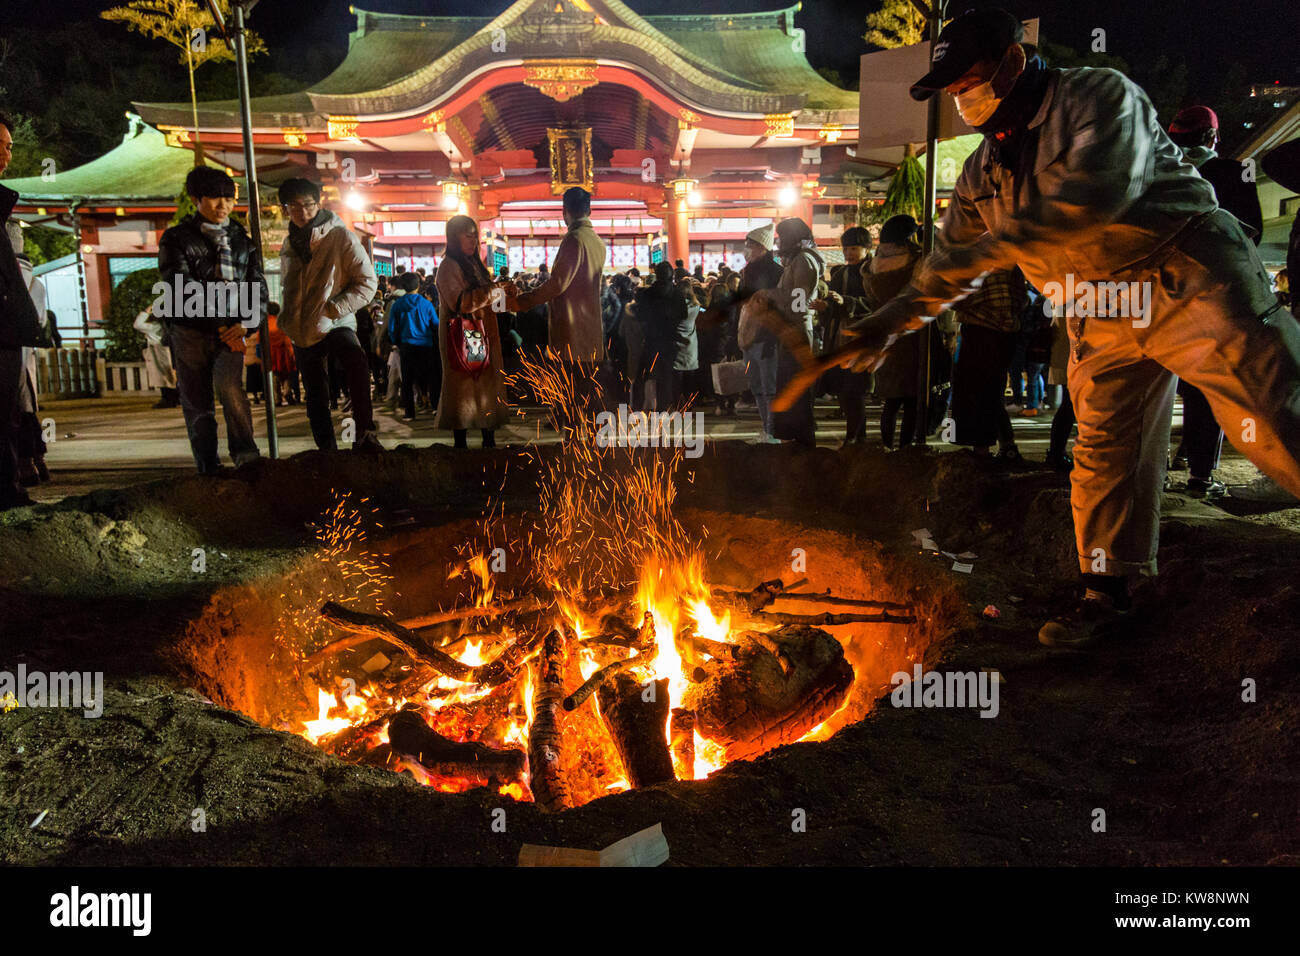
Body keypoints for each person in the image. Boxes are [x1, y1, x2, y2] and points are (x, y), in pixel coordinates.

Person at [812, 7, 1300, 646]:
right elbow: (942, 268)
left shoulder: (1100, 95)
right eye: (952, 91)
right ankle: (1113, 588)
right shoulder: (979, 174)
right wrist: (886, 323)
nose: (964, 100)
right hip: (1097, 306)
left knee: (1273, 414)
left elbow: (1095, 197)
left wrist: (991, 251)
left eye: (970, 82)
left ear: (1014, 63)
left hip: (1185, 270)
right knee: (1104, 452)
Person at [1164, 107, 1264, 500]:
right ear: (1211, 138)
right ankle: (1202, 475)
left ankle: (1153, 470)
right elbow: (1250, 232)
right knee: (1209, 387)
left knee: (1159, 385)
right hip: (1218, 295)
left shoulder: (1158, 174)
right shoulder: (1235, 171)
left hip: (1165, 295)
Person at [156, 165, 263, 475]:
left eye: (228, 199)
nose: (223, 206)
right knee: (196, 398)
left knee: (231, 390)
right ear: (195, 199)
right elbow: (180, 285)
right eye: (215, 198)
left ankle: (246, 456)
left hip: (232, 329)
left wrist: (247, 322)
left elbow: (257, 284)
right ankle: (208, 463)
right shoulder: (176, 239)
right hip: (190, 329)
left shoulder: (241, 239)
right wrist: (222, 324)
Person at [276, 178, 381, 451]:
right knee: (315, 395)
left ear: (318, 203)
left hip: (335, 321)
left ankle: (364, 435)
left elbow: (367, 282)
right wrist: (287, 319)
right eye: (294, 206)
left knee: (356, 362)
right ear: (285, 209)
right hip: (301, 329)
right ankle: (327, 452)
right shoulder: (289, 243)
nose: (302, 211)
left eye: (308, 205)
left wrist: (334, 309)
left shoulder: (339, 236)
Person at [512, 187, 607, 430]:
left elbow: (557, 284)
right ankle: (574, 425)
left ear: (565, 212)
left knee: (571, 383)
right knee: (583, 384)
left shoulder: (574, 239)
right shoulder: (596, 241)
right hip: (590, 325)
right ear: (589, 210)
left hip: (571, 327)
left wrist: (524, 300)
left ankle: (573, 437)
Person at [435, 215, 507, 448]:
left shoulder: (475, 265)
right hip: (464, 336)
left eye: (475, 235)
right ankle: (461, 445)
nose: (473, 240)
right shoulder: (448, 267)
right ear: (454, 238)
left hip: (481, 333)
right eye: (467, 235)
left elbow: (489, 300)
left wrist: (508, 295)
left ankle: (488, 441)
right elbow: (461, 303)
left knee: (484, 388)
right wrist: (493, 290)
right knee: (463, 389)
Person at [863, 216, 925, 449]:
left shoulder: (873, 267)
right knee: (910, 401)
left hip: (884, 337)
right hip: (911, 337)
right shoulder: (913, 264)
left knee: (890, 402)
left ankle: (886, 447)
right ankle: (906, 448)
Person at [813, 225, 874, 445]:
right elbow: (832, 305)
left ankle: (855, 437)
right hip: (838, 338)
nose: (849, 254)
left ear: (867, 248)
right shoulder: (840, 273)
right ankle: (858, 437)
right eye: (846, 249)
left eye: (854, 248)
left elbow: (876, 304)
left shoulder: (872, 272)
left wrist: (846, 302)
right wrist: (825, 306)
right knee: (845, 390)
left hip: (860, 339)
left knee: (855, 389)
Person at [764, 218, 822, 447]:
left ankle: (805, 444)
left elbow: (799, 302)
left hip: (797, 331)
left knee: (796, 392)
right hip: (792, 330)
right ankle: (798, 442)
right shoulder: (798, 260)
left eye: (781, 237)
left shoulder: (803, 261)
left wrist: (771, 296)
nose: (778, 241)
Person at [734, 225, 784, 442]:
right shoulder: (746, 272)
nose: (747, 250)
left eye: (750, 246)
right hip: (749, 337)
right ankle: (767, 428)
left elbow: (780, 306)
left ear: (763, 247)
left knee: (769, 387)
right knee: (756, 386)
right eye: (746, 246)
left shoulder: (777, 272)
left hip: (767, 338)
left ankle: (773, 431)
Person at [632, 261, 685, 411]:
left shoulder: (648, 293)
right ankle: (664, 407)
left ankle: (638, 405)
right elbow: (683, 314)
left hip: (651, 339)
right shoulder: (677, 294)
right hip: (669, 340)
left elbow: (640, 314)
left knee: (643, 375)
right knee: (666, 376)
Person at [387, 271, 440, 422]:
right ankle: (435, 407)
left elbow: (392, 328)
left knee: (408, 381)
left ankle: (409, 412)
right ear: (418, 286)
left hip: (406, 347)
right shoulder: (426, 304)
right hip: (426, 346)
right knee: (431, 378)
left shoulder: (397, 305)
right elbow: (435, 325)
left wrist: (396, 341)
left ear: (403, 286)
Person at [133, 303, 179, 409]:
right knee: (171, 376)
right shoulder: (170, 326)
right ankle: (175, 399)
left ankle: (168, 399)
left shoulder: (154, 326)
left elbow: (137, 325)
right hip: (169, 350)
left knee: (163, 377)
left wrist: (146, 312)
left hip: (159, 351)